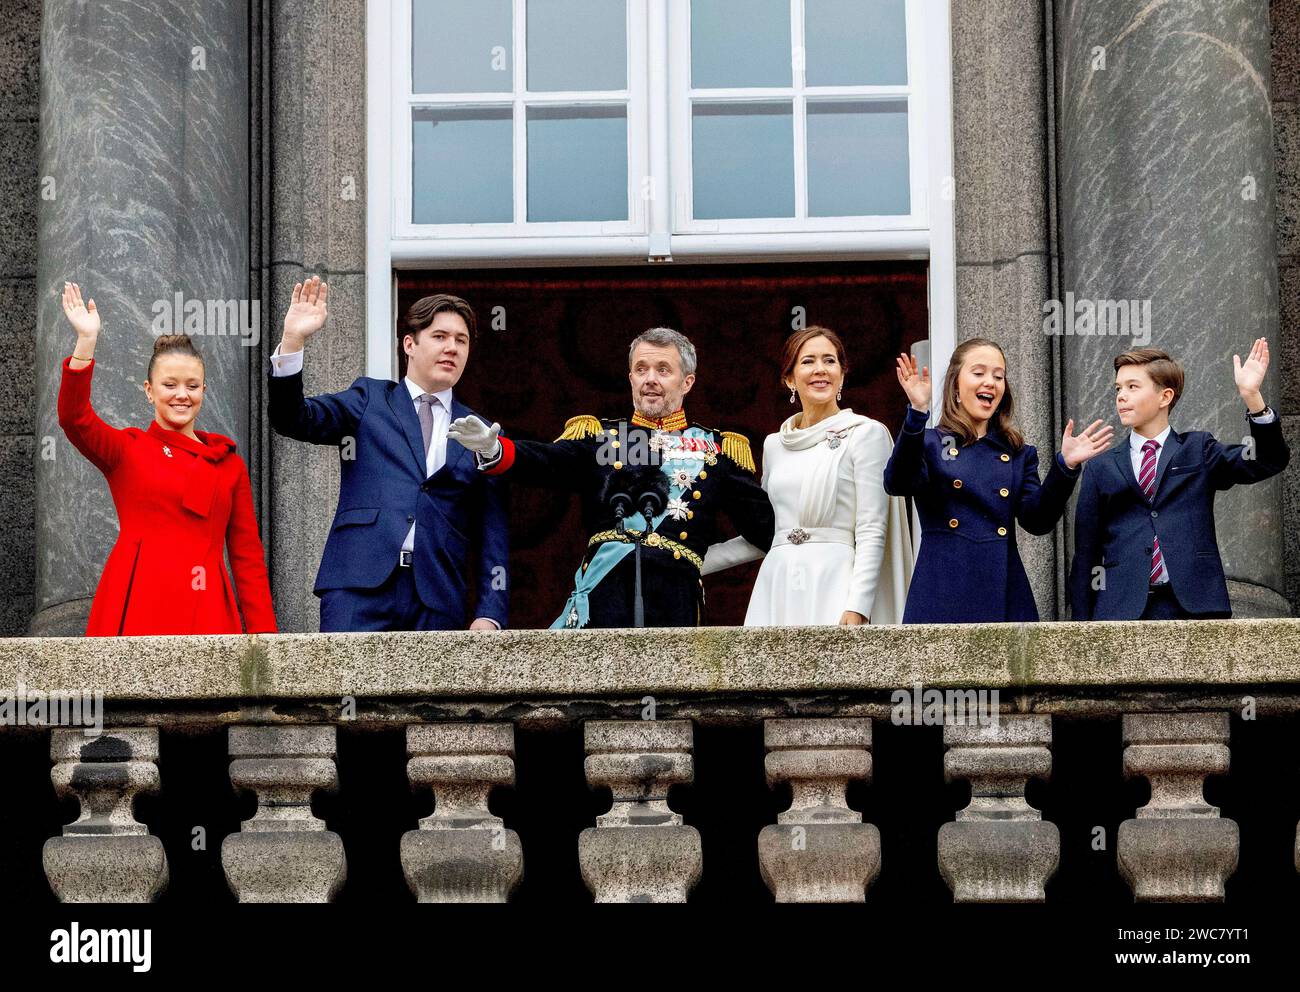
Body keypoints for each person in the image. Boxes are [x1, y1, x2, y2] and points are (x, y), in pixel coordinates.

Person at [447, 327, 775, 628]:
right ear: (630, 377)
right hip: (604, 598)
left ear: (687, 382)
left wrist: (703, 560)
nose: (650, 379)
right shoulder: (602, 438)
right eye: (641, 369)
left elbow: (767, 531)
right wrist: (494, 448)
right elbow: (548, 461)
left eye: (663, 370)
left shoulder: (716, 450)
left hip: (676, 601)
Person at [267, 278, 508, 632]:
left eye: (461, 340)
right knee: (346, 689)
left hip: (438, 598)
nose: (452, 348)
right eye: (440, 337)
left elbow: (493, 529)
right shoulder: (370, 400)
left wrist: (490, 612)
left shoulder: (482, 431)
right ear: (409, 344)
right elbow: (293, 419)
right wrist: (293, 341)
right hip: (357, 588)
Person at [56, 282, 276, 636]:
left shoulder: (228, 464)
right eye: (169, 384)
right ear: (149, 391)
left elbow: (247, 559)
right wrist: (86, 341)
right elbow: (74, 418)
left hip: (208, 610)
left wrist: (268, 644)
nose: (181, 395)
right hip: (138, 603)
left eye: (192, 385)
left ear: (204, 390)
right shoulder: (128, 449)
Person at [885, 338, 1113, 623]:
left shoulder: (1018, 453)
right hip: (942, 589)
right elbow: (897, 482)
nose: (990, 382)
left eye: (998, 376)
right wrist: (917, 413)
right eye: (978, 373)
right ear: (956, 385)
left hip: (1005, 590)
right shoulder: (931, 443)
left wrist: (1064, 467)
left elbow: (1037, 520)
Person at [701, 326, 913, 624]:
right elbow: (769, 532)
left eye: (829, 361)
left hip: (835, 581)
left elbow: (871, 529)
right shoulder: (775, 445)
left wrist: (859, 606)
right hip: (778, 581)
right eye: (808, 361)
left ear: (842, 374)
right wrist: (692, 560)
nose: (820, 370)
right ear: (789, 378)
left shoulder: (866, 434)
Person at [1070, 341, 1289, 620]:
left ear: (1165, 396)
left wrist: (1252, 397)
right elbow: (1086, 554)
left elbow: (1268, 460)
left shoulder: (1198, 449)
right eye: (1118, 388)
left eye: (1132, 387)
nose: (1121, 396)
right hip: (1119, 609)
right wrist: (1080, 629)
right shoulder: (1101, 466)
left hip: (1194, 606)